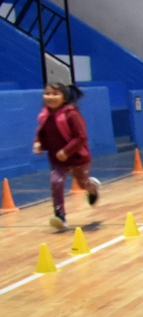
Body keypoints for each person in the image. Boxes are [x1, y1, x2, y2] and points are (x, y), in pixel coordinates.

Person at [33, 82, 98, 231]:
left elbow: (81, 137)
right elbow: (41, 133)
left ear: (64, 97)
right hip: (57, 159)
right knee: (56, 182)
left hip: (77, 157)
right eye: (48, 93)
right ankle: (60, 215)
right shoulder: (44, 115)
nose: (51, 97)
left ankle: (92, 188)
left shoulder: (72, 114)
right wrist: (37, 143)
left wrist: (66, 151)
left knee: (82, 183)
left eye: (55, 94)